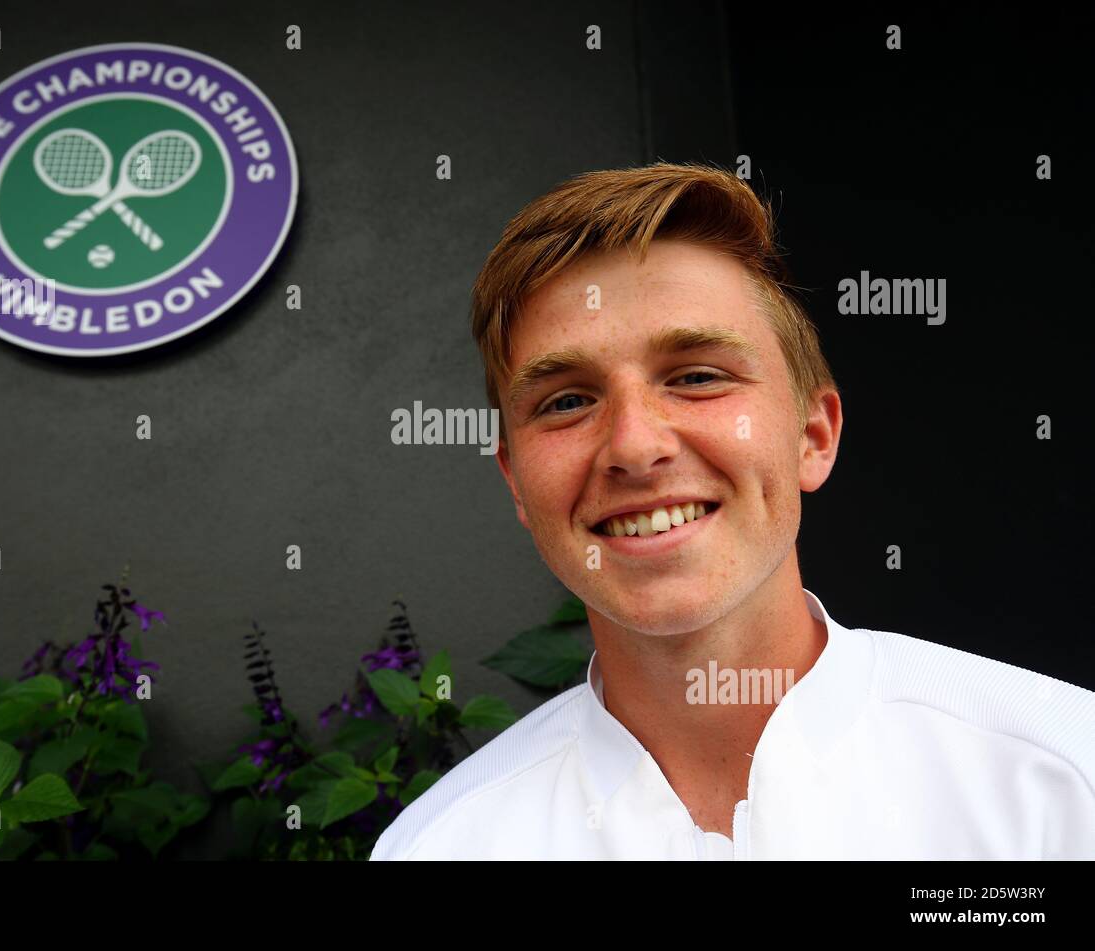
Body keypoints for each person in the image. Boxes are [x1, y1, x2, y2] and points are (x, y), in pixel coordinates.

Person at [370, 162, 1095, 859]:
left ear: (813, 435)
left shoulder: (1060, 780)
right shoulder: (439, 845)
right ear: (516, 483)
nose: (634, 444)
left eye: (696, 377)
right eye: (566, 401)